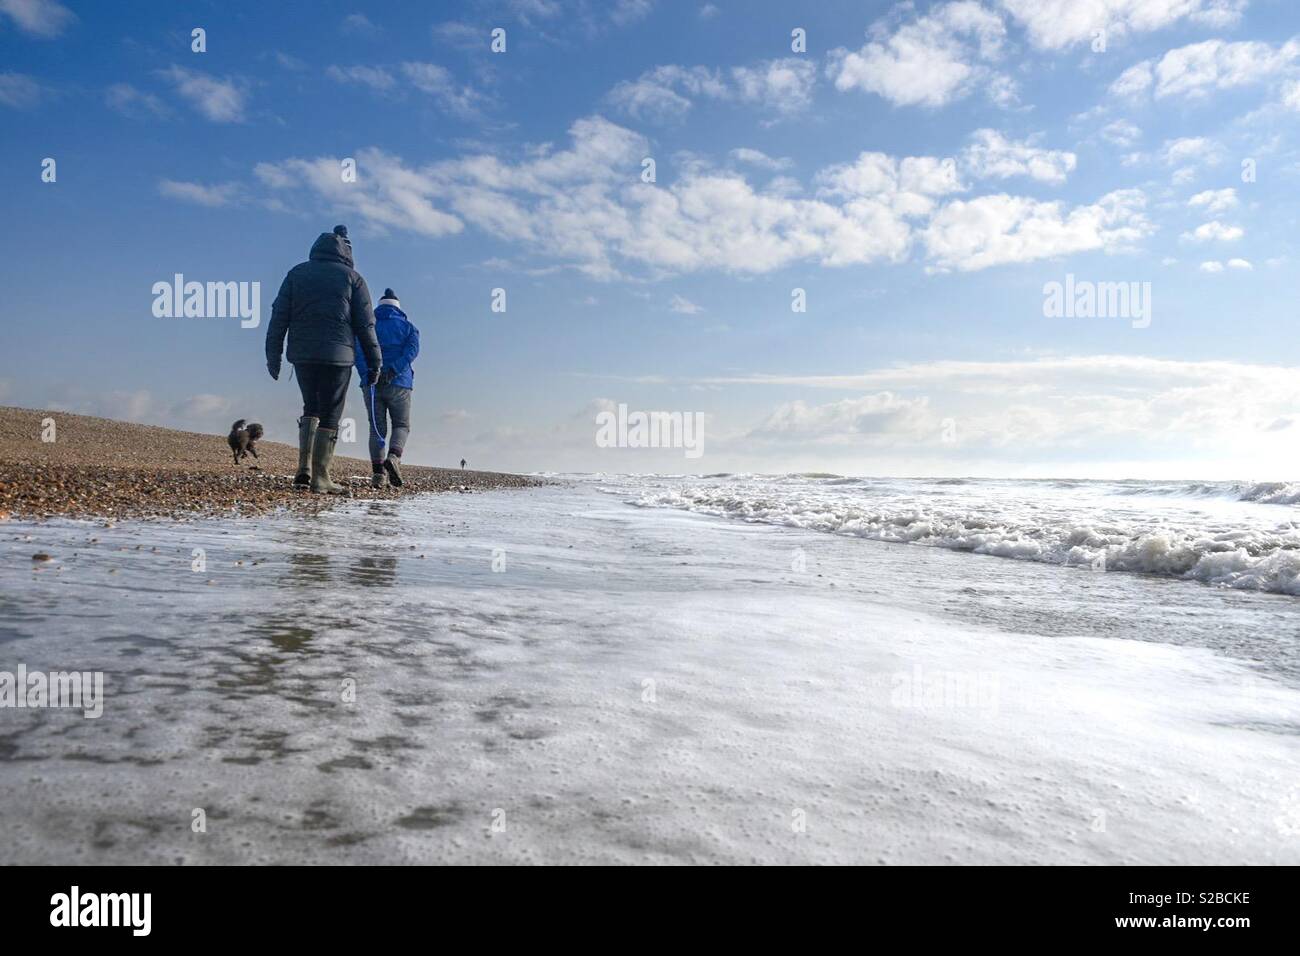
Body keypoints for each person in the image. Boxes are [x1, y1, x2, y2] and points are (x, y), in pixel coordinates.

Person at [266, 225, 382, 495]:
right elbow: (366, 325)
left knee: (311, 405)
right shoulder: (354, 279)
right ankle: (321, 477)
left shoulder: (297, 273)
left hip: (302, 354)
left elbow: (278, 316)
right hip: (338, 356)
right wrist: (375, 362)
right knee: (331, 411)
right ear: (347, 253)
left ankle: (303, 470)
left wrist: (273, 354)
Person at [355, 288, 420, 488]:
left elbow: (358, 352)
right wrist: (393, 371)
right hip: (400, 383)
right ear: (398, 307)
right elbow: (412, 352)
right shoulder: (409, 328)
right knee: (401, 425)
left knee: (377, 429)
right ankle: (394, 457)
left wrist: (368, 374)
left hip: (372, 383)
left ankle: (378, 476)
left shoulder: (367, 326)